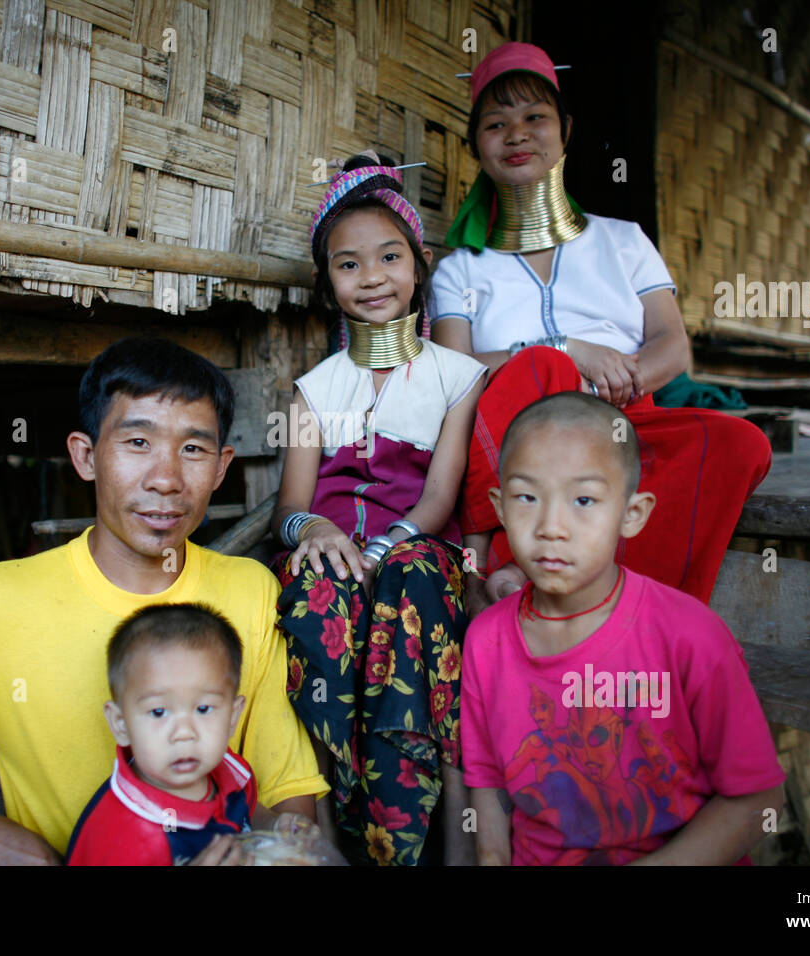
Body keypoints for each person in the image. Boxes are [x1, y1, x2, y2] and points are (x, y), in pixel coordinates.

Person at [0, 339, 325, 864]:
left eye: (193, 449)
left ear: (221, 468)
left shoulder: (250, 589)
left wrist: (278, 852)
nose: (167, 480)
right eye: (137, 443)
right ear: (85, 456)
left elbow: (283, 788)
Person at [430, 41, 772, 607]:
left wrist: (608, 384)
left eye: (534, 118)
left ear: (565, 130)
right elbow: (452, 367)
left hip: (622, 418)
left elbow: (671, 346)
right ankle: (515, 562)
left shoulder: (623, 239)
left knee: (740, 443)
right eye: (496, 124)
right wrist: (565, 352)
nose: (516, 134)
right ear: (477, 145)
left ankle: (652, 606)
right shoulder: (462, 266)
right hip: (519, 435)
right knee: (540, 365)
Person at [461, 392, 785, 865]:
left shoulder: (690, 636)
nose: (552, 526)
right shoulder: (486, 640)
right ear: (500, 506)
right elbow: (487, 783)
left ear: (632, 514)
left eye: (584, 500)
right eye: (527, 497)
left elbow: (758, 802)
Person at [272, 152, 486, 865]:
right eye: (349, 264)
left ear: (418, 265)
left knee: (412, 581)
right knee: (312, 590)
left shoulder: (457, 378)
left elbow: (439, 497)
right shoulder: (314, 388)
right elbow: (290, 509)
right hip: (336, 551)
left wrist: (383, 545)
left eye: (389, 257)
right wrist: (319, 532)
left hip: (418, 549)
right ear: (327, 283)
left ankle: (407, 831)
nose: (372, 278)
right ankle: (335, 820)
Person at [67, 603, 317, 866]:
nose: (184, 733)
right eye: (158, 712)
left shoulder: (229, 770)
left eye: (203, 708)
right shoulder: (119, 837)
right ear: (120, 724)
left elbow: (248, 812)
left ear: (232, 717)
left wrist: (276, 825)